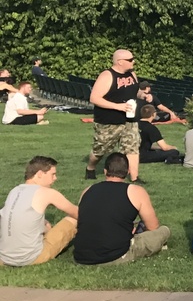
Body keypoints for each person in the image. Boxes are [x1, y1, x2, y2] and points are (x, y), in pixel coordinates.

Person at [74, 152, 169, 265]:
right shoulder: (136, 191)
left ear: (105, 171)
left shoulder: (87, 190)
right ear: (128, 171)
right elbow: (153, 227)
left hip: (81, 254)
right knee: (164, 231)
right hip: (115, 255)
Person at [0, 156, 78, 266]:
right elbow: (78, 213)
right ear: (40, 174)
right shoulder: (46, 192)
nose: (55, 178)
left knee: (45, 223)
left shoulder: (14, 191)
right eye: (53, 174)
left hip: (4, 257)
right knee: (73, 219)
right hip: (31, 257)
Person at [85, 50, 142, 183]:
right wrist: (118, 106)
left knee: (132, 146)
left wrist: (143, 95)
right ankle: (90, 167)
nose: (133, 61)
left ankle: (135, 178)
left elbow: (134, 91)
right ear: (120, 62)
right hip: (109, 121)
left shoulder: (132, 74)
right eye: (130, 59)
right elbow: (94, 98)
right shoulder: (107, 76)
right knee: (100, 149)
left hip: (129, 119)